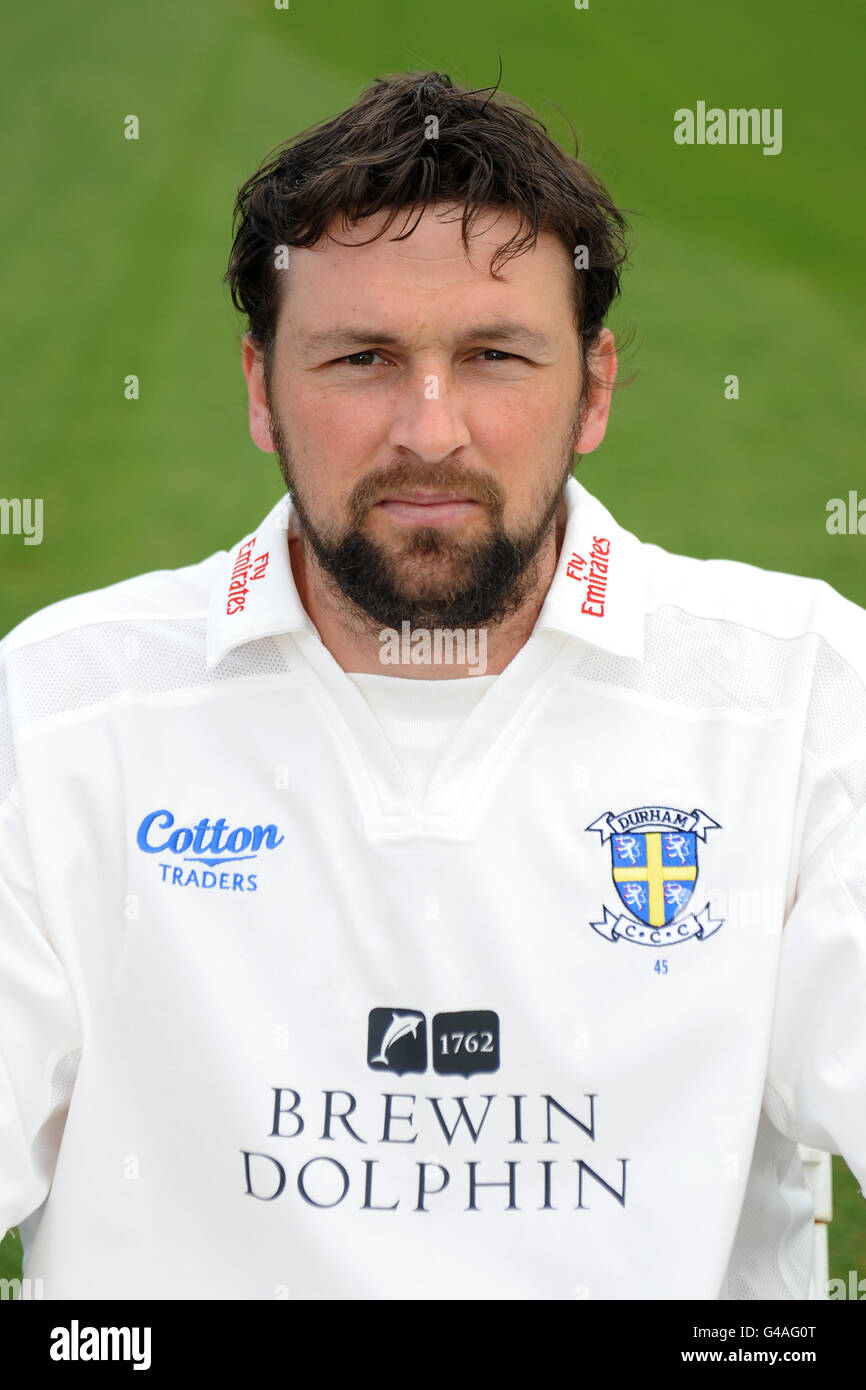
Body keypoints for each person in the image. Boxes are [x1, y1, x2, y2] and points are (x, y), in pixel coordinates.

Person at [1, 70, 864, 1301]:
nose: (427, 429)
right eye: (359, 358)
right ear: (259, 387)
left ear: (594, 387)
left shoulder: (804, 698)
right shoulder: (53, 712)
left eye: (494, 356)